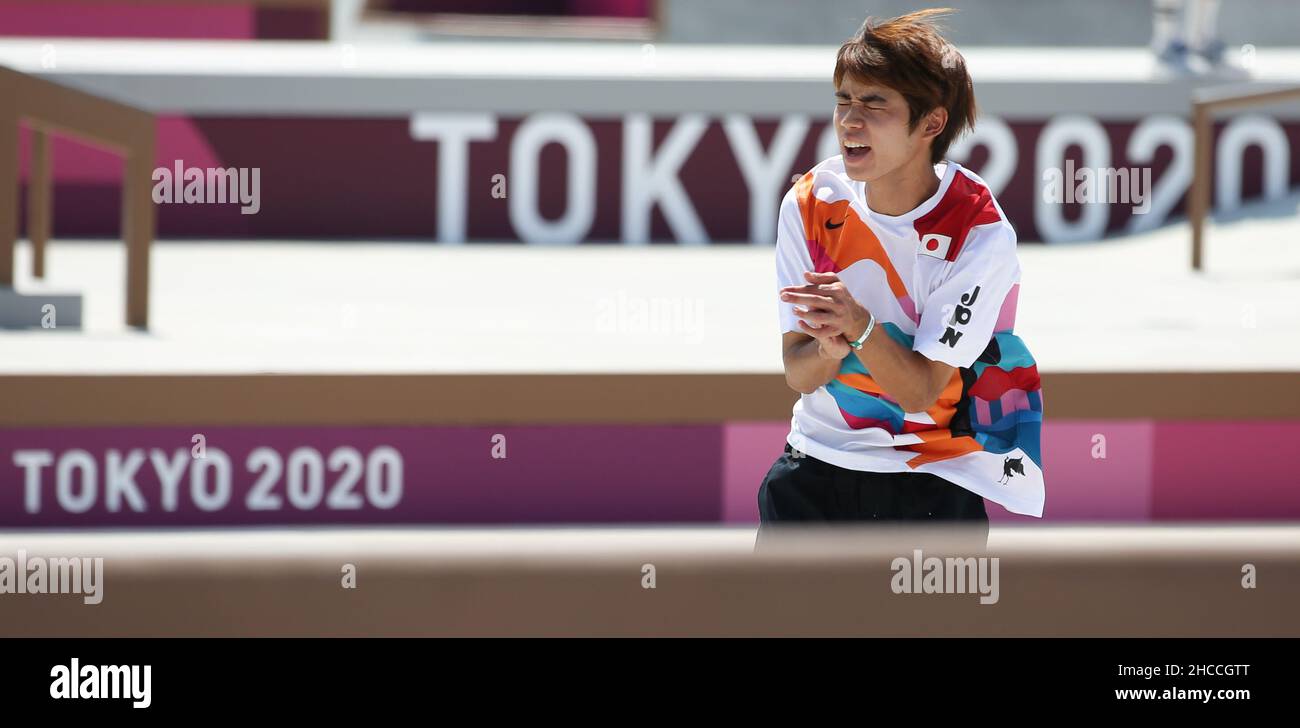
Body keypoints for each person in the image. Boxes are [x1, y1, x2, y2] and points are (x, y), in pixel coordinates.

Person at [757, 9, 1045, 551]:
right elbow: (798, 373)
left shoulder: (979, 235)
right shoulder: (811, 200)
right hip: (813, 470)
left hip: (932, 485)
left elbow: (919, 391)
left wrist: (859, 327)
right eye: (844, 100)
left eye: (874, 104)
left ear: (931, 124)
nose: (849, 120)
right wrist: (826, 346)